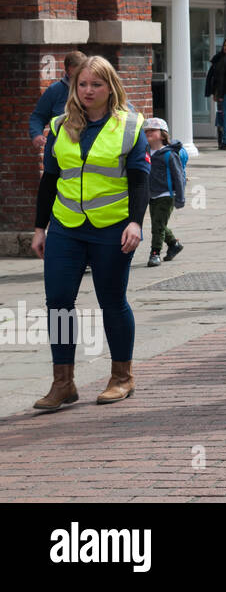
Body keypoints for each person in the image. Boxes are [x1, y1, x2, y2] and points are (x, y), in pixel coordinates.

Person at [31, 56, 149, 411]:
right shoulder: (60, 125)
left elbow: (140, 181)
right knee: (59, 303)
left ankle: (122, 377)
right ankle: (63, 382)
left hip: (112, 228)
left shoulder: (129, 126)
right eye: (82, 84)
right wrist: (40, 228)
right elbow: (50, 180)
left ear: (110, 87)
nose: (87, 91)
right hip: (66, 228)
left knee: (112, 301)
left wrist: (135, 223)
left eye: (95, 85)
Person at [144, 117, 186, 267]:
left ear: (162, 134)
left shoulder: (169, 154)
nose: (148, 132)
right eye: (146, 130)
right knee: (159, 223)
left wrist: (180, 197)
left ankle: (155, 253)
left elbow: (179, 176)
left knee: (157, 226)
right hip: (152, 194)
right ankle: (174, 244)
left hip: (166, 195)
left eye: (152, 130)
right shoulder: (146, 152)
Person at [29, 51, 87, 152]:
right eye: (74, 76)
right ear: (67, 72)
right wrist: (37, 134)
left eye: (81, 75)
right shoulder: (55, 90)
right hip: (57, 151)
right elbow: (38, 116)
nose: (78, 80)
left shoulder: (95, 91)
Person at [206, 38, 226, 149]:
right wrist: (214, 92)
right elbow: (212, 77)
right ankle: (221, 141)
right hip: (220, 92)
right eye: (225, 45)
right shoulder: (218, 59)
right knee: (221, 116)